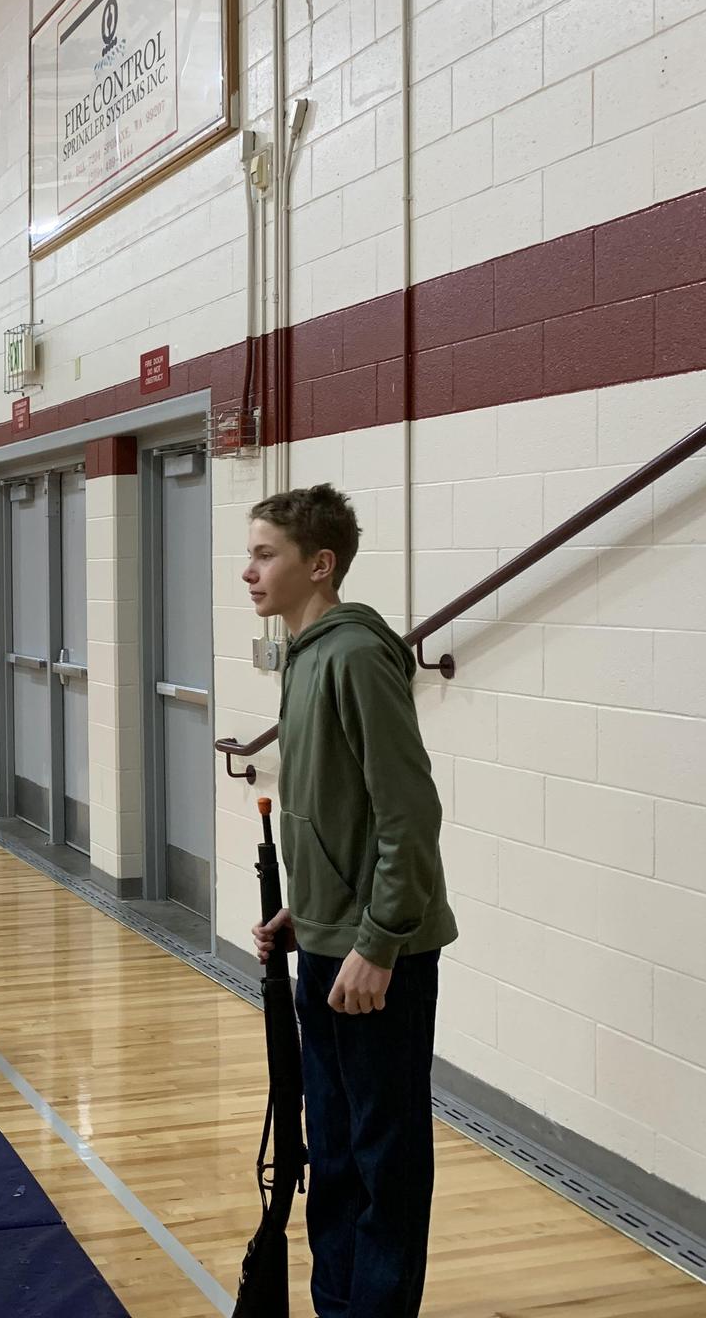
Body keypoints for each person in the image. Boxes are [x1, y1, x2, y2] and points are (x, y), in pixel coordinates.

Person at [245, 484, 457, 1318]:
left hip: (378, 959)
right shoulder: (304, 654)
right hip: (331, 943)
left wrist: (377, 940)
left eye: (265, 554)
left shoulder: (357, 655)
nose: (249, 571)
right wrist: (310, 913)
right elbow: (343, 814)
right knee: (330, 1154)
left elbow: (408, 813)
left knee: (384, 1161)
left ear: (319, 564)